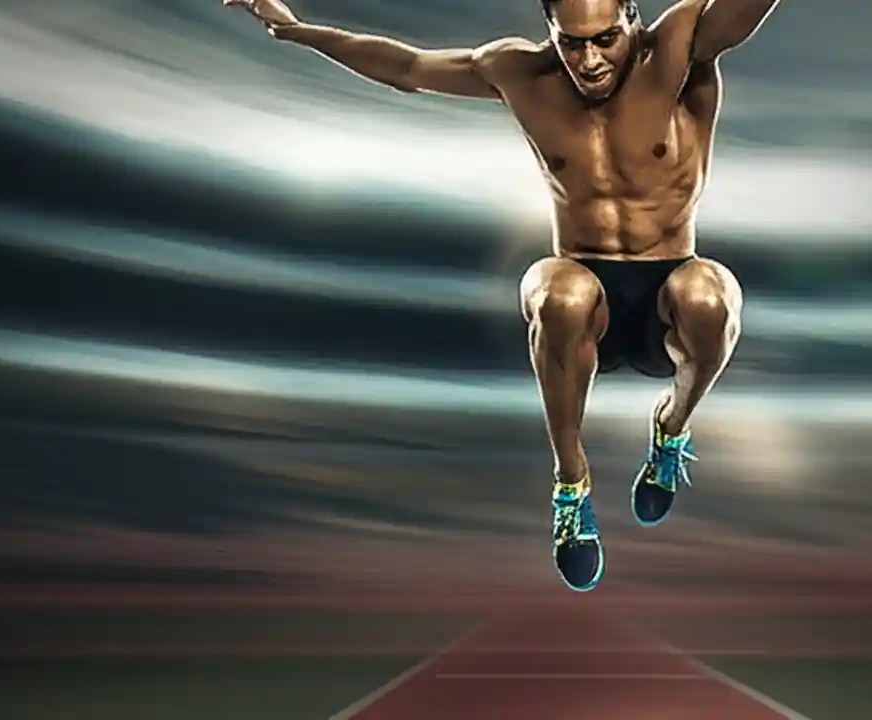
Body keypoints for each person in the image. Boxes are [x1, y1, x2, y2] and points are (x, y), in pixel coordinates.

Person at [224, 0, 783, 591]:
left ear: (632, 17)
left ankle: (671, 429)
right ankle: (572, 486)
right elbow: (409, 68)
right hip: (583, 288)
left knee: (712, 295)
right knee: (556, 291)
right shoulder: (521, 73)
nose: (588, 60)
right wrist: (297, 29)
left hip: (668, 284)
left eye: (605, 39)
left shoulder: (680, 45)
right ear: (550, 33)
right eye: (572, 43)